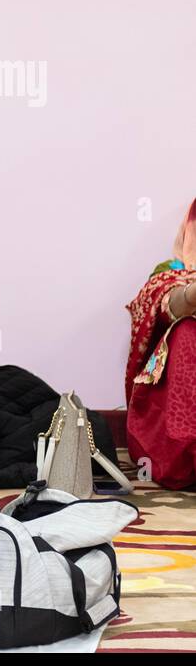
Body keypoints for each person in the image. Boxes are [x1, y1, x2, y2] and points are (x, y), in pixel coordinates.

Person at [126, 198, 196, 488]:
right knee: (187, 332)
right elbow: (166, 305)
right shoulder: (171, 271)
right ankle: (187, 453)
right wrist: (192, 293)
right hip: (183, 379)